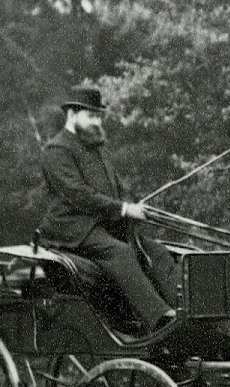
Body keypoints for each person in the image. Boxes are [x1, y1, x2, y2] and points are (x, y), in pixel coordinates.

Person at [37, 85, 178, 334]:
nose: (97, 121)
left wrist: (131, 209)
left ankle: (183, 313)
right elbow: (78, 195)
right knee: (120, 252)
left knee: (157, 252)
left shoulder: (96, 147)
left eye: (99, 116)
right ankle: (160, 321)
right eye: (91, 115)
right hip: (72, 229)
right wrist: (124, 209)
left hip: (103, 224)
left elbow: (113, 188)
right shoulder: (56, 150)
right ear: (72, 114)